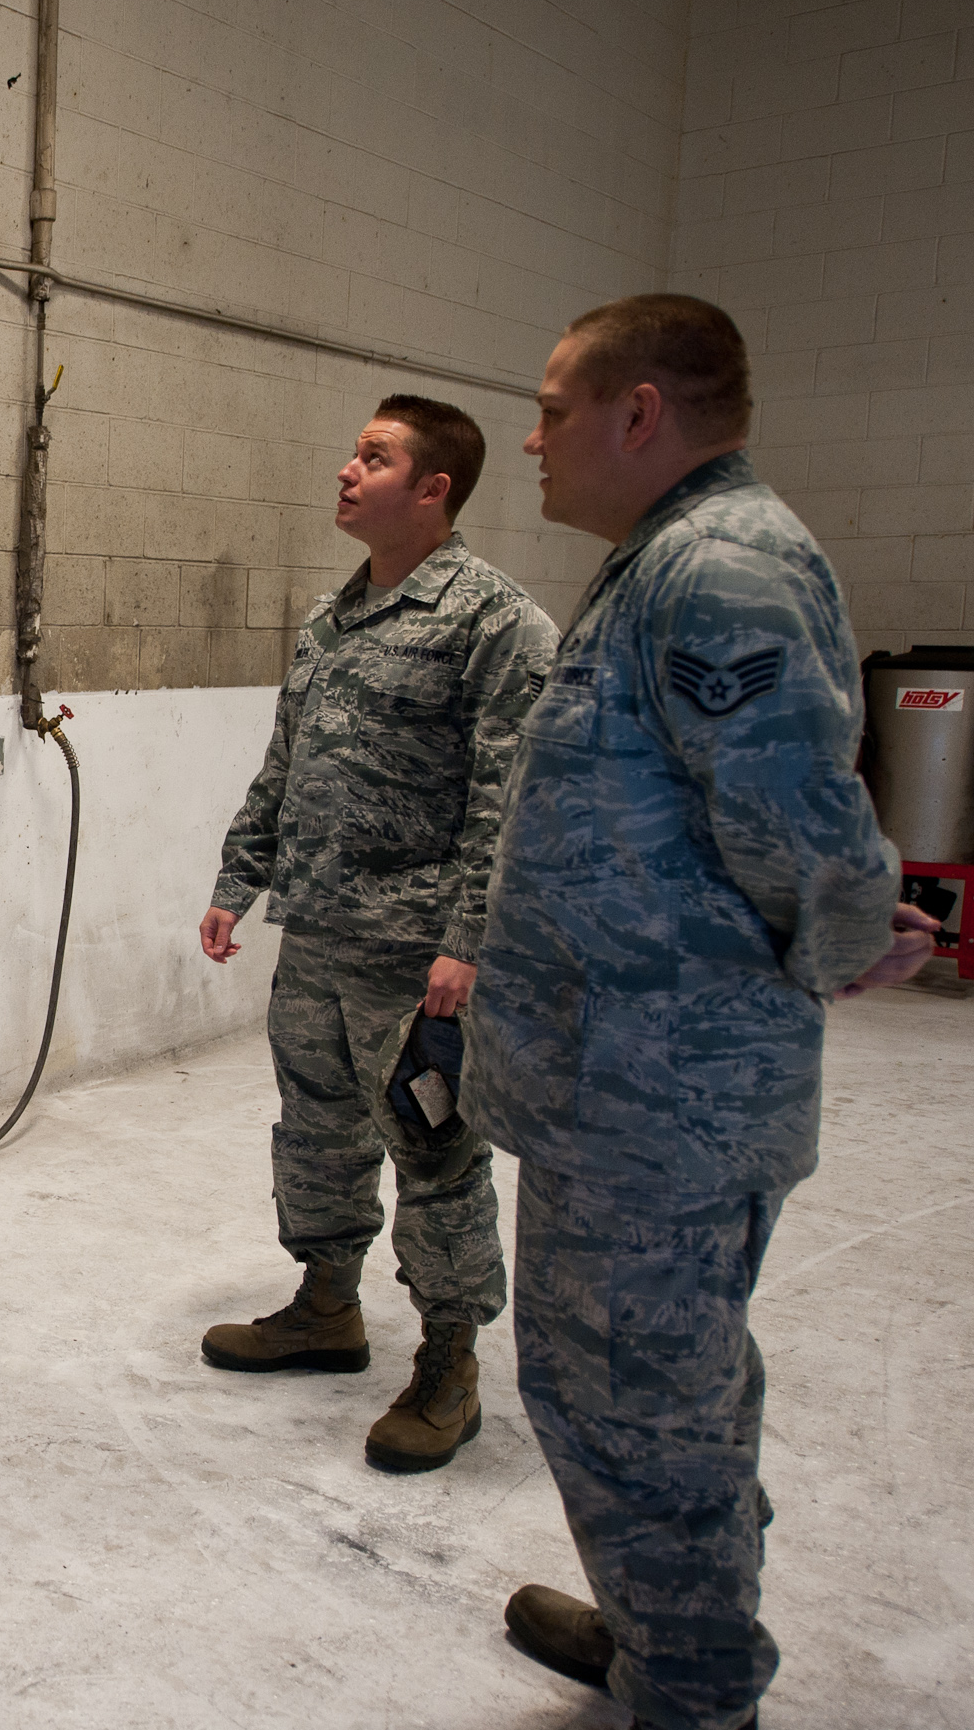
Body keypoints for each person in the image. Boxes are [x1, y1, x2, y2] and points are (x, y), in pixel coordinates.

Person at [469, 294, 940, 1730]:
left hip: (662, 1101)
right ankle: (661, 1626)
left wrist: (852, 934)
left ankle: (693, 1686)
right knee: (645, 1387)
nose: (533, 439)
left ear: (639, 414)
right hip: (617, 1086)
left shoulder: (718, 568)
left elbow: (804, 813)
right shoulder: (659, 563)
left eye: (554, 408)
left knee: (636, 1406)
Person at [198, 395, 560, 1472]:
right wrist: (238, 874)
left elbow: (513, 793)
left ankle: (450, 1359)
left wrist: (470, 940)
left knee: (436, 1150)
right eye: (353, 450)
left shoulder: (496, 622)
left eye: (375, 455)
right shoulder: (332, 616)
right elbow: (287, 762)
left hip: (423, 961)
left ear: (435, 486)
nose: (346, 469)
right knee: (315, 1133)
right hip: (317, 935)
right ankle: (326, 1304)